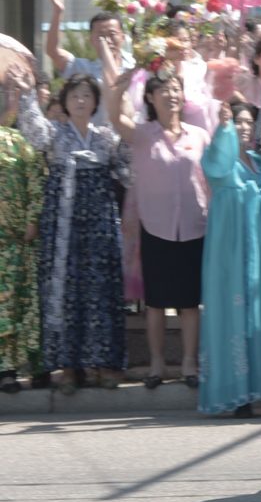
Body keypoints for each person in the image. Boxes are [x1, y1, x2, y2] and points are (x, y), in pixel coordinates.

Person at [102, 57, 211, 388]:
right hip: (156, 225)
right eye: (163, 89)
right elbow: (115, 117)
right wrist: (122, 84)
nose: (171, 94)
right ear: (150, 97)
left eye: (175, 88)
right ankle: (156, 365)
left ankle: (190, 364)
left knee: (190, 302)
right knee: (156, 302)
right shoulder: (142, 134)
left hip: (195, 224)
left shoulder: (200, 135)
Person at [15, 72, 128, 388]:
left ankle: (103, 364)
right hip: (62, 223)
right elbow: (33, 134)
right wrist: (26, 94)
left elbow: (127, 170)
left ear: (95, 102)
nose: (81, 100)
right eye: (75, 95)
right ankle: (66, 366)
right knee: (64, 290)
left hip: (100, 222)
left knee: (100, 289)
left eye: (87, 95)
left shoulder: (106, 136)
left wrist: (126, 116)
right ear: (64, 101)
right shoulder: (54, 133)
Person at [196, 96, 261, 417]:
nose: (242, 127)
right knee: (235, 317)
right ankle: (240, 395)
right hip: (233, 259)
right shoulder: (221, 164)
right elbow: (216, 162)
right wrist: (223, 128)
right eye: (236, 121)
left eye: (246, 123)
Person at [0, 65, 44, 393]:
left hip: (14, 241)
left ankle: (9, 367)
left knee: (13, 303)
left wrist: (32, 220)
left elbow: (36, 183)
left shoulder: (19, 142)